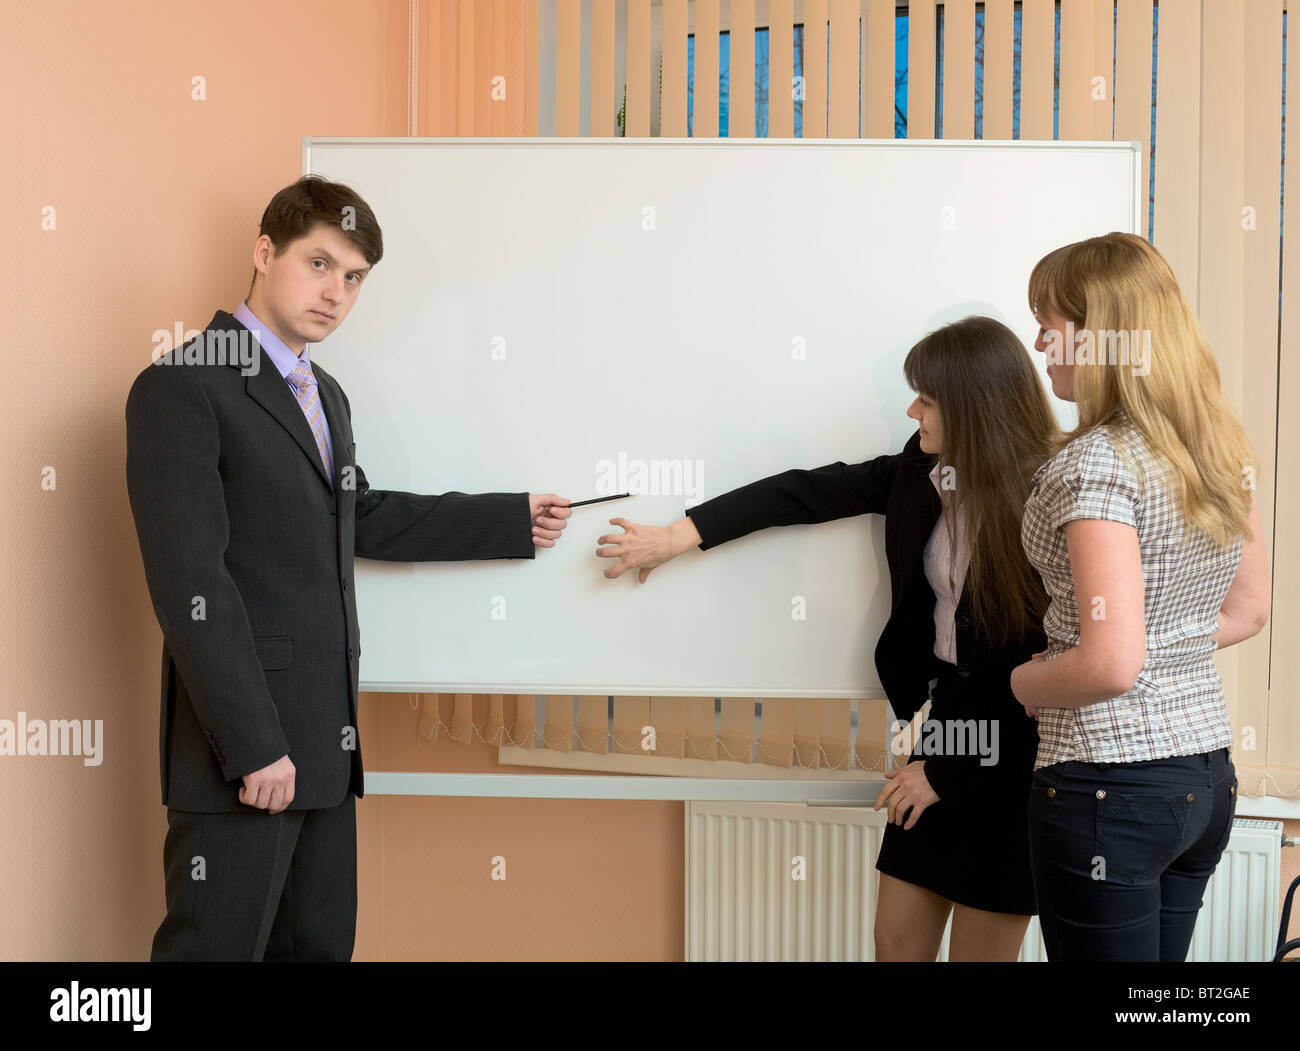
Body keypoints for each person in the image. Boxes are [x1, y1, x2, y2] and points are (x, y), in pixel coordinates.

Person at [125, 175, 573, 961]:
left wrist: (509, 517)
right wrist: (253, 743)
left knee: (320, 950)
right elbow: (191, 585)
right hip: (246, 753)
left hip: (327, 752)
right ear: (265, 254)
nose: (336, 292)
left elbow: (357, 513)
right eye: (320, 264)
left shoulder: (324, 394)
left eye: (354, 277)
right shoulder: (181, 387)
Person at [596, 315, 1061, 960]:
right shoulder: (916, 471)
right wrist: (676, 536)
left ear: (972, 406)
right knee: (895, 940)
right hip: (948, 718)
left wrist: (949, 776)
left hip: (1017, 742)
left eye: (926, 398)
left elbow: (1052, 671)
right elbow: (802, 492)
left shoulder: (1052, 497)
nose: (911, 410)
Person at [1012, 231, 1271, 962]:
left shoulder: (1094, 464)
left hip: (1107, 787)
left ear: (1099, 335)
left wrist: (1026, 678)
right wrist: (1118, 643)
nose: (1038, 342)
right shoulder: (1218, 448)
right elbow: (1246, 611)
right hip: (1203, 781)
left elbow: (1113, 665)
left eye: (1049, 323)